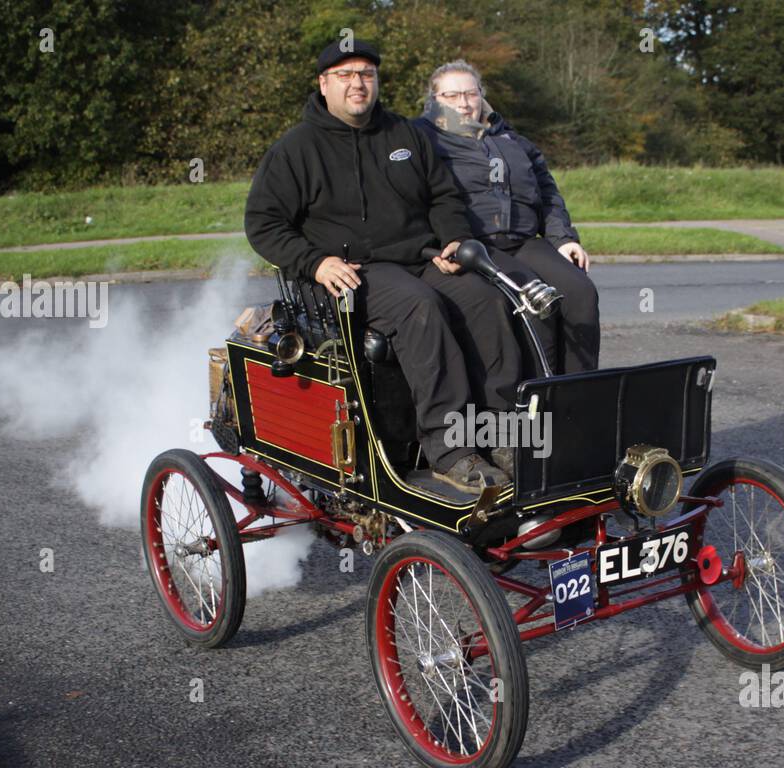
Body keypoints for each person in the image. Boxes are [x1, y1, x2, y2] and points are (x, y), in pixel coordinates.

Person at [244, 40, 519, 492]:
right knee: (421, 308)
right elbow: (263, 224)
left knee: (485, 299)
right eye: (346, 75)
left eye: (366, 74)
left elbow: (443, 196)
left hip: (419, 258)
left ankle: (499, 436)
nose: (358, 83)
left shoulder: (406, 135)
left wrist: (452, 239)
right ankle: (449, 451)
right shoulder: (294, 150)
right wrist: (315, 263)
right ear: (323, 84)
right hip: (346, 273)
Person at [414, 60, 600, 375]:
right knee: (533, 298)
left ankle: (579, 392)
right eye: (452, 95)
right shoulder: (423, 139)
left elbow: (546, 189)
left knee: (580, 292)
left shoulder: (508, 137)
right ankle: (539, 400)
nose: (463, 103)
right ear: (434, 100)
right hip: (477, 245)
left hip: (525, 240)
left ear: (482, 96)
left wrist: (563, 238)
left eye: (471, 94)